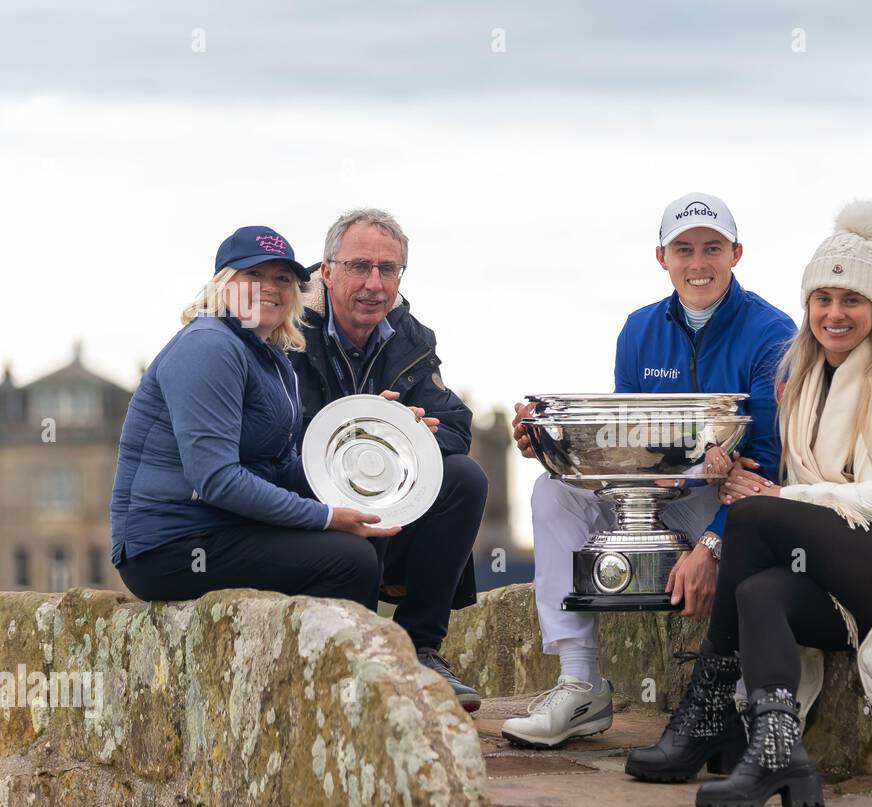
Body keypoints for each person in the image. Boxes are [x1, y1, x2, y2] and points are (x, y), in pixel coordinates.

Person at [625, 200, 872, 807]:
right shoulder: (805, 377)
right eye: (821, 300)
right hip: (851, 566)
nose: (834, 313)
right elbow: (801, 482)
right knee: (760, 595)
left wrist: (775, 498)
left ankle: (707, 705)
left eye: (850, 300)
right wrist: (732, 470)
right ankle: (779, 749)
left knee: (751, 517)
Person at [502, 193, 796, 748]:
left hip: (733, 500)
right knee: (552, 492)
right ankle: (580, 684)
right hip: (662, 499)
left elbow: (769, 457)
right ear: (662, 257)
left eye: (712, 248)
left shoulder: (772, 331)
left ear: (737, 253)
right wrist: (549, 445)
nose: (698, 263)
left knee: (756, 495)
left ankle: (737, 694)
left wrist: (711, 546)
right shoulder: (638, 329)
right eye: (684, 250)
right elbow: (623, 444)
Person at [111, 226, 401, 609]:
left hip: (226, 528)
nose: (269, 286)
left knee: (368, 531)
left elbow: (283, 469)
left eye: (282, 278)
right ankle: (338, 668)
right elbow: (216, 480)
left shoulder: (273, 359)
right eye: (254, 275)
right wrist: (326, 517)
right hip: (169, 546)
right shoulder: (208, 346)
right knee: (350, 560)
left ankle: (397, 653)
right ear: (224, 284)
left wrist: (363, 433)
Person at [290, 208, 488, 712]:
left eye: (389, 269)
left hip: (388, 518)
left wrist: (412, 436)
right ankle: (352, 658)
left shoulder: (412, 336)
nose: (375, 283)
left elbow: (458, 426)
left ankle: (421, 650)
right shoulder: (286, 327)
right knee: (359, 483)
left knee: (464, 477)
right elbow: (271, 433)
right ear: (327, 271)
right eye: (360, 266)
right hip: (304, 509)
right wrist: (366, 435)